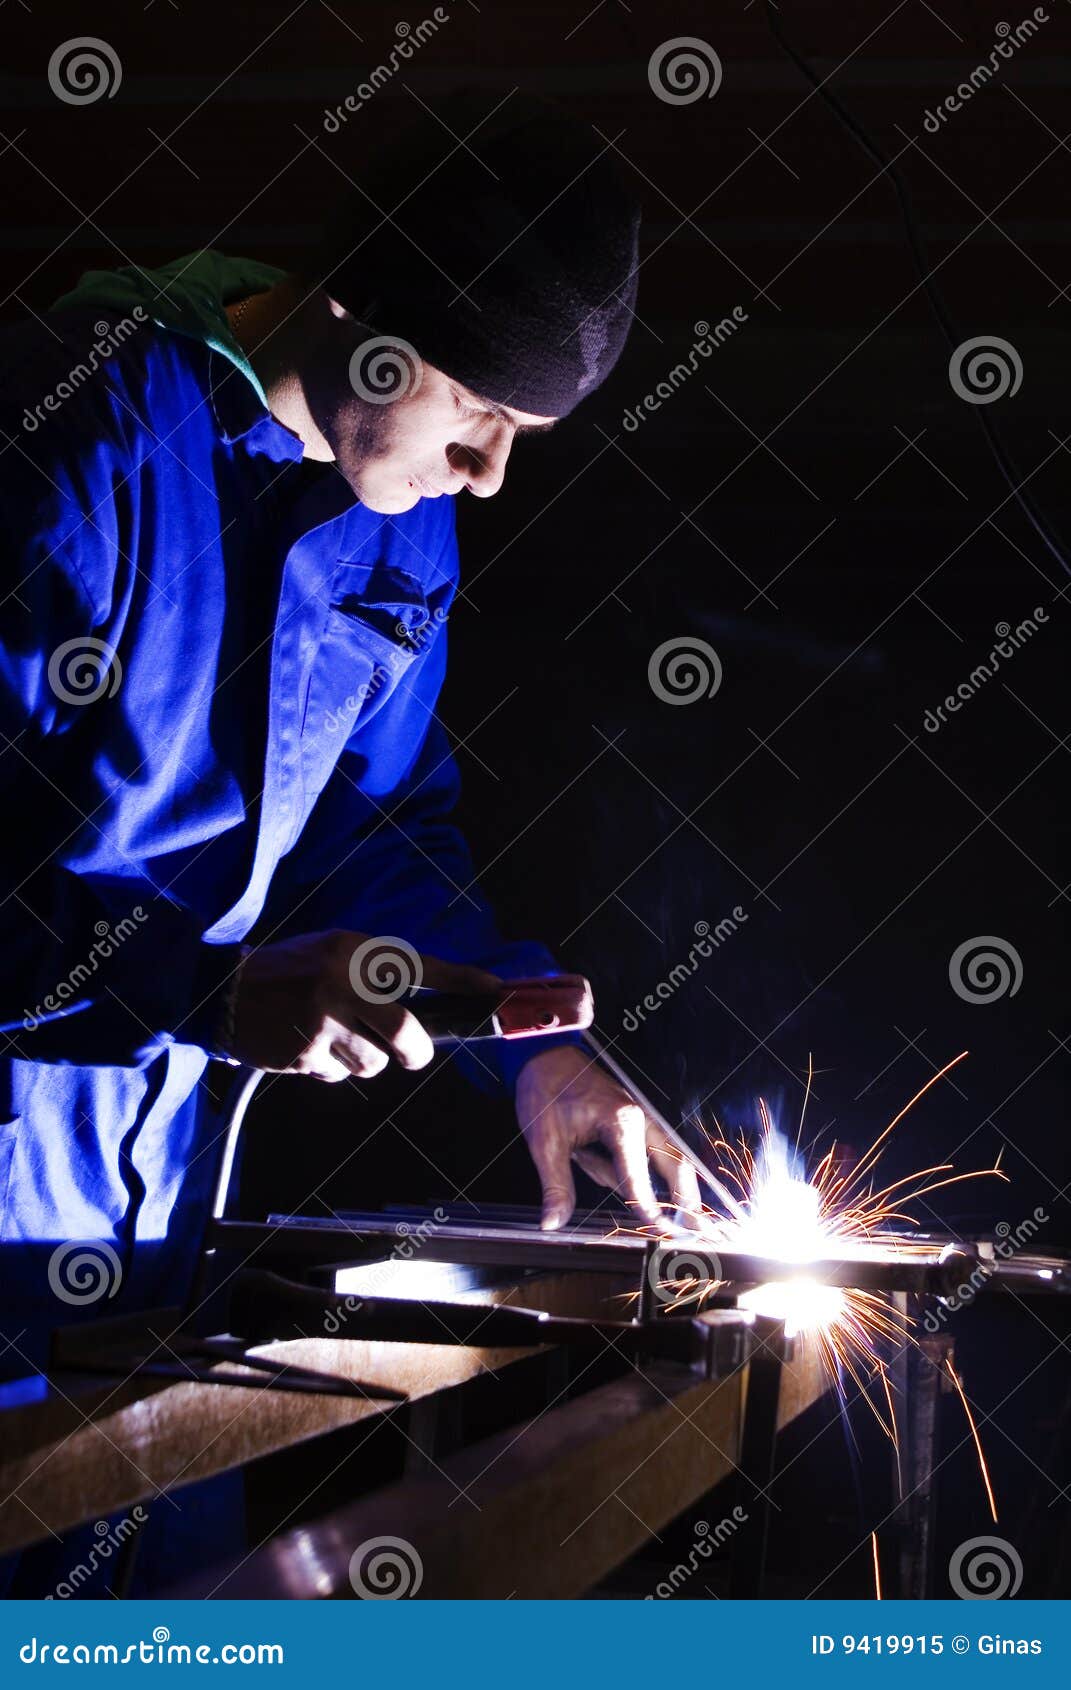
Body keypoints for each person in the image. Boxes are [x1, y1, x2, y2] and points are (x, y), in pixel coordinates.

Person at [0, 89, 701, 1388]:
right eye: (480, 411)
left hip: (155, 1233)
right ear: (352, 308)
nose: (491, 474)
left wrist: (533, 1046)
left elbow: (371, 838)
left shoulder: (400, 526)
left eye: (524, 439)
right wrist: (195, 992)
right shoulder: (72, 443)